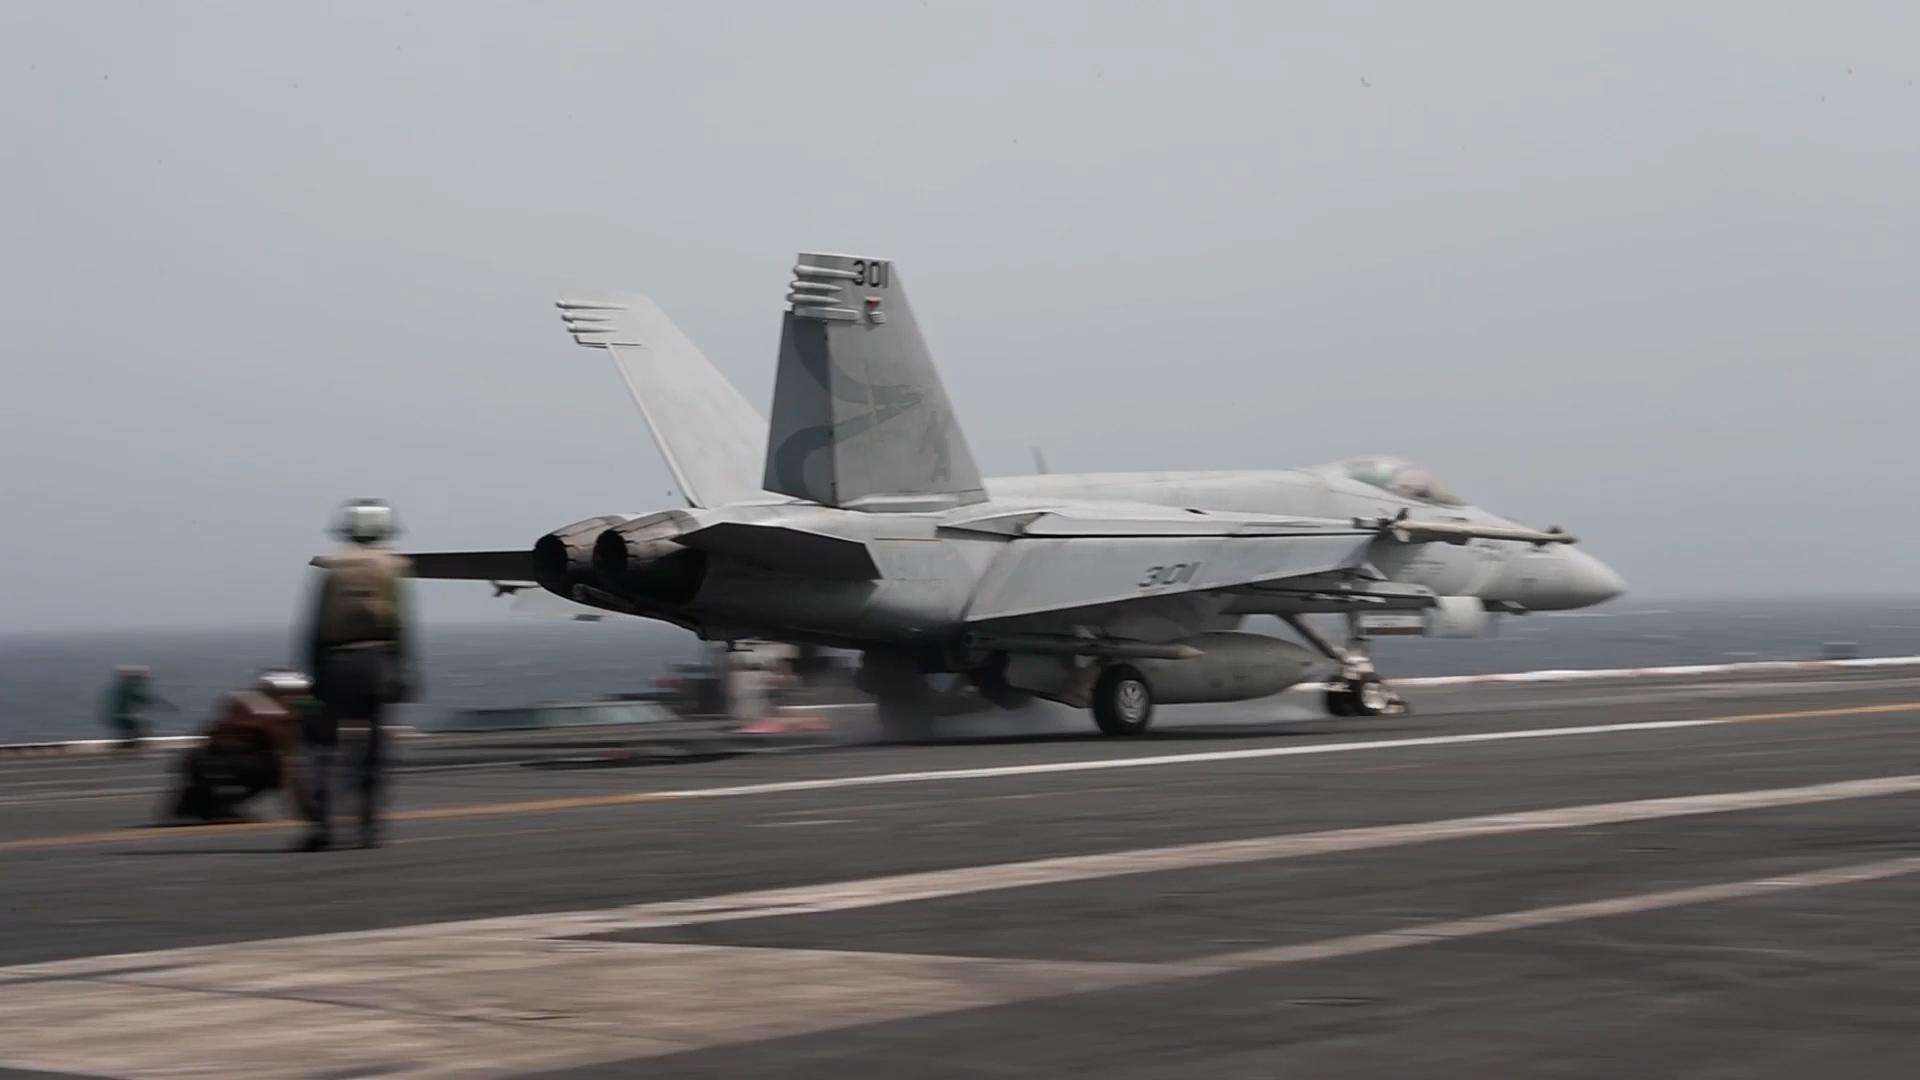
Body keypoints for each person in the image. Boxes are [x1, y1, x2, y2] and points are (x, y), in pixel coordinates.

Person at [294, 498, 418, 851]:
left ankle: (324, 827)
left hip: (336, 663)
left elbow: (315, 628)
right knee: (375, 747)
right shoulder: (393, 568)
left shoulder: (331, 568)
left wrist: (313, 678)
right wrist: (404, 670)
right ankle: (370, 827)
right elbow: (401, 626)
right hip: (377, 663)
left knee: (323, 748)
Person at [100, 665, 177, 753]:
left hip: (117, 716)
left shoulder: (122, 688)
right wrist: (168, 706)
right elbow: (148, 699)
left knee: (134, 730)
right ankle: (125, 746)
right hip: (124, 717)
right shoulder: (131, 689)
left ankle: (124, 744)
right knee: (141, 728)